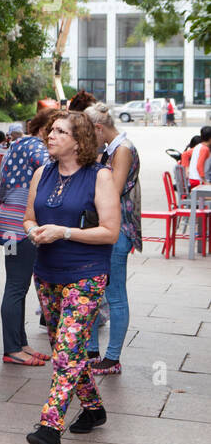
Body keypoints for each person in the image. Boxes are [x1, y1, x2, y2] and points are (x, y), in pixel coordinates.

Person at [23, 111, 121, 444]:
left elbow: (110, 231)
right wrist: (32, 230)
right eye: (51, 130)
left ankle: (50, 426)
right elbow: (29, 216)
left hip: (87, 273)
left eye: (60, 131)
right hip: (47, 272)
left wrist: (65, 232)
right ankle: (93, 409)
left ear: (78, 142)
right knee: (68, 348)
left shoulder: (100, 176)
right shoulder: (41, 173)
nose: (51, 135)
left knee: (65, 351)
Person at [0, 108, 53, 366]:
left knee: (16, 285)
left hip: (8, 223)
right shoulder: (37, 147)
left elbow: (1, 185)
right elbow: (51, 168)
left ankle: (20, 343)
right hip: (20, 227)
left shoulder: (16, 145)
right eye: (55, 131)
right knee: (16, 286)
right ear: (43, 130)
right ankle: (12, 349)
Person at [83, 103, 141, 376]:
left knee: (115, 294)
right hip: (108, 228)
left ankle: (112, 357)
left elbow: (113, 190)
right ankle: (93, 351)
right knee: (96, 291)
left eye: (89, 133)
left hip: (119, 229)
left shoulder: (123, 149)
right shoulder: (111, 150)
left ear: (99, 128)